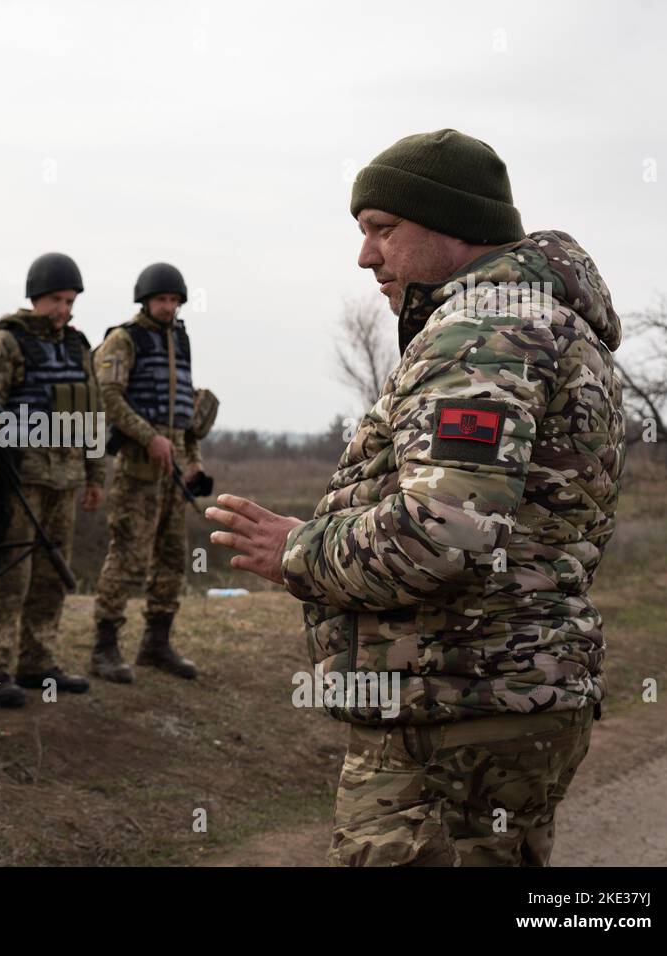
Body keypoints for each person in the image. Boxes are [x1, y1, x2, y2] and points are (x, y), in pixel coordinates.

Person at [207, 129, 624, 866]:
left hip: (451, 701)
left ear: (453, 224)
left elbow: (444, 532)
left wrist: (296, 549)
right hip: (519, 694)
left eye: (382, 230)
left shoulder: (480, 333)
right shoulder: (558, 329)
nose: (367, 256)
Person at [0, 252, 102, 707]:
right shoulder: (3, 345)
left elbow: (90, 414)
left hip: (64, 481)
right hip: (18, 482)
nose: (64, 309)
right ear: (36, 298)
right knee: (11, 575)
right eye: (56, 300)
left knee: (50, 577)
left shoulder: (78, 347)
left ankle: (37, 661)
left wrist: (95, 474)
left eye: (70, 301)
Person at [91, 263, 205, 682]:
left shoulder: (181, 339)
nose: (169, 307)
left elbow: (185, 408)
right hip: (137, 469)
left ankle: (156, 643)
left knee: (172, 557)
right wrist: (147, 437)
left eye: (174, 301)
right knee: (128, 557)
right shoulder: (124, 339)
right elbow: (109, 396)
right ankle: (104, 647)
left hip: (173, 470)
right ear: (145, 299)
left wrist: (193, 456)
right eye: (162, 300)